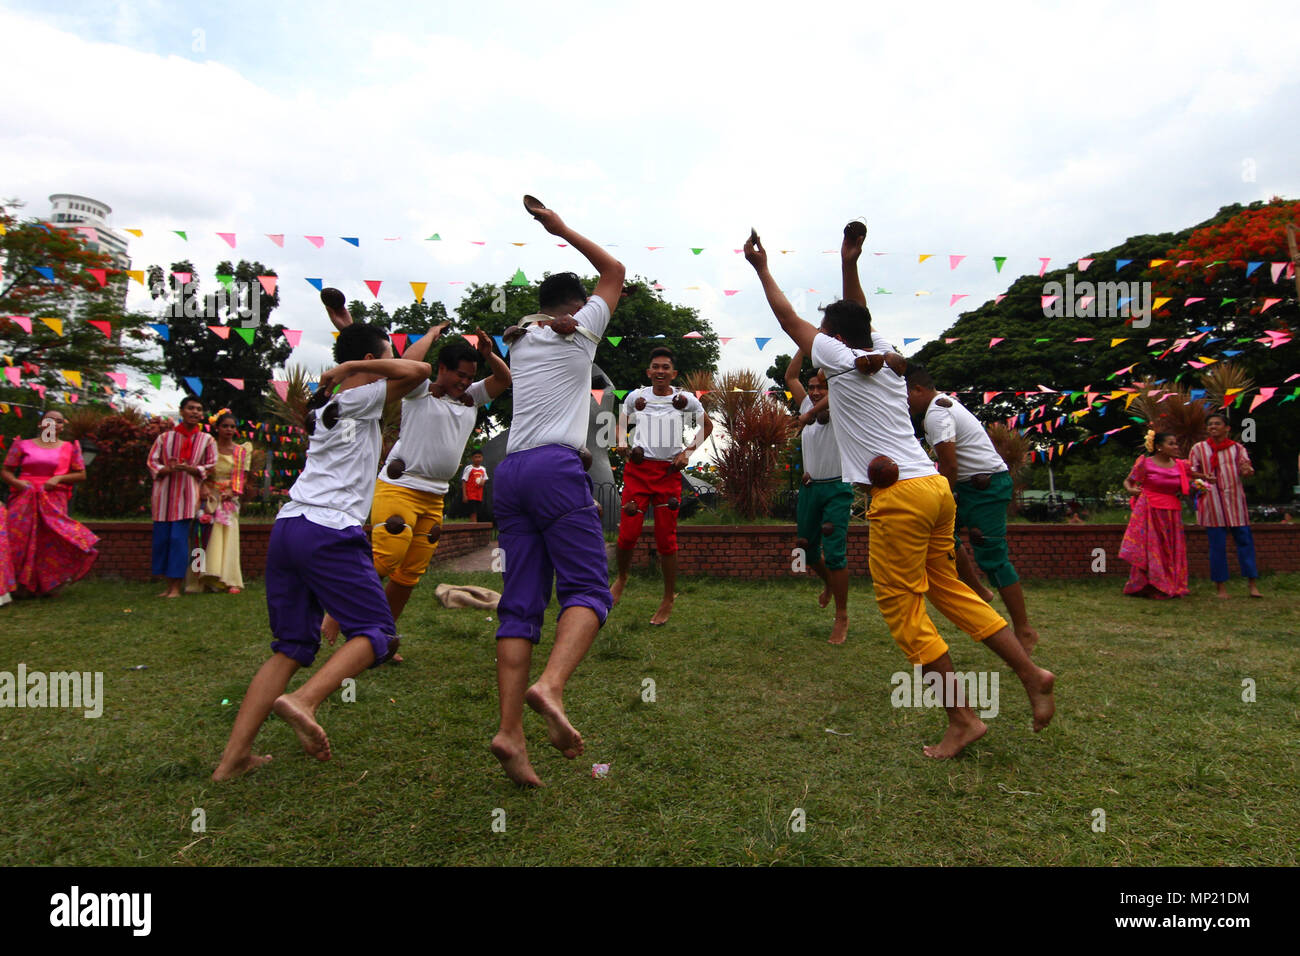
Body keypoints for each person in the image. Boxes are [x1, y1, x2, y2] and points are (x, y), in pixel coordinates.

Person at [742, 224, 1055, 759]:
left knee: (903, 609)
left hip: (901, 500)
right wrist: (849, 262)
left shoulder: (842, 358)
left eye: (824, 330)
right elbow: (858, 313)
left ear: (835, 339)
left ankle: (961, 720)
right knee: (951, 591)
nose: (815, 336)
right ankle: (1031, 673)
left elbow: (787, 319)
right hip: (934, 489)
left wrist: (761, 268)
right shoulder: (881, 353)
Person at [212, 321, 429, 781]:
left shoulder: (328, 404)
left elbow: (407, 363)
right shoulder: (359, 397)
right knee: (377, 634)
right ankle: (304, 700)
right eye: (383, 356)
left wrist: (371, 345)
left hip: (290, 526)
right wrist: (354, 362)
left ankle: (233, 759)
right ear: (369, 363)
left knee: (289, 647)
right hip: (329, 530)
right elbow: (420, 367)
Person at [490, 198, 624, 786]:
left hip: (511, 474)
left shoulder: (522, 339)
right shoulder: (582, 328)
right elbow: (616, 271)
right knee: (590, 589)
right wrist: (560, 227)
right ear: (577, 305)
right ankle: (552, 685)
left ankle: (510, 734)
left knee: (521, 605)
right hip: (551, 470)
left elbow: (525, 330)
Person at [317, 318, 512, 654]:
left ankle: (382, 638)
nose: (464, 382)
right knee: (387, 556)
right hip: (401, 487)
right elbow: (410, 365)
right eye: (458, 375)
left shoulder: (471, 398)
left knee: (409, 574)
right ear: (441, 369)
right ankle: (334, 612)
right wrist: (433, 333)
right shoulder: (420, 390)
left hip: (434, 496)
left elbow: (505, 379)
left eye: (469, 376)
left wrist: (490, 354)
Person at [905, 363, 1039, 654]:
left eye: (906, 395)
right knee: (942, 536)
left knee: (993, 558)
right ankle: (977, 589)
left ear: (917, 389)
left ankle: (1025, 629)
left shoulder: (938, 413)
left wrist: (941, 498)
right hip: (970, 487)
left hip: (985, 488)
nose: (904, 402)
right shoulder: (944, 405)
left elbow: (949, 464)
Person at [610, 346, 712, 626]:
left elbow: (707, 426)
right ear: (648, 372)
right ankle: (621, 578)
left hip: (668, 473)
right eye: (655, 367)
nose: (660, 371)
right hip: (638, 471)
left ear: (674, 373)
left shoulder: (685, 399)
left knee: (666, 540)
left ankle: (668, 597)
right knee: (627, 534)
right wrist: (621, 441)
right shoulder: (636, 396)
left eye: (665, 367)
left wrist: (687, 453)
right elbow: (621, 421)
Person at [784, 350, 851, 644]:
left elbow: (840, 393)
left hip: (837, 488)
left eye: (819, 388)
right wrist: (804, 347)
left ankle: (842, 615)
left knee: (835, 553)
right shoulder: (804, 406)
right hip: (811, 489)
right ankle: (830, 585)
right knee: (807, 552)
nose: (813, 392)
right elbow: (789, 377)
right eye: (810, 387)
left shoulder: (842, 408)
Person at [1, 409, 98, 595]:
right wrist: (16, 482)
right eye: (49, 419)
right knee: (19, 539)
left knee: (51, 540)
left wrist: (58, 479)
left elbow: (81, 474)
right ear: (41, 424)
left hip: (52, 500)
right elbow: (6, 470)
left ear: (62, 427)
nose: (54, 423)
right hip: (24, 498)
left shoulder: (69, 448)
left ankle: (48, 585)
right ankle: (18, 586)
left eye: (58, 421)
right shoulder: (22, 445)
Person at [1118, 430, 1204, 598]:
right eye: (1170, 443)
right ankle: (1149, 584)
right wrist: (1131, 490)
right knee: (1152, 548)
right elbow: (1129, 481)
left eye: (1175, 443)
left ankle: (1170, 583)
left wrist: (1202, 483)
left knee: (1169, 549)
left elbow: (1191, 480)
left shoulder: (1181, 465)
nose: (1175, 446)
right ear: (1158, 447)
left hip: (1172, 512)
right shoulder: (1145, 463)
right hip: (1150, 510)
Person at [147, 395, 217, 598]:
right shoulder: (164, 438)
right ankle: (167, 585)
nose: (195, 412)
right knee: (162, 541)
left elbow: (211, 465)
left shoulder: (206, 440)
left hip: (187, 498)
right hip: (163, 498)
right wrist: (166, 469)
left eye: (198, 409)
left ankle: (176, 587)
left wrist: (193, 469)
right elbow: (152, 461)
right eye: (191, 408)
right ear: (181, 411)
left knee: (178, 541)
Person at [1188, 413, 1263, 598]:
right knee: (1217, 547)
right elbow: (1190, 473)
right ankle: (1221, 588)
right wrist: (1202, 481)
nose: (1213, 427)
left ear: (1227, 428)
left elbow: (1246, 467)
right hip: (1212, 505)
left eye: (1217, 424)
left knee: (1245, 543)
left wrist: (1247, 470)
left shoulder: (1237, 448)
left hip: (1235, 504)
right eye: (1210, 424)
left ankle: (1252, 585)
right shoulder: (1198, 449)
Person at [186, 411, 252, 594]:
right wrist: (202, 487)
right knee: (203, 535)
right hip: (209, 497)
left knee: (228, 536)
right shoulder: (208, 447)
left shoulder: (241, 451)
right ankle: (199, 578)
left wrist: (232, 491)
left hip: (229, 498)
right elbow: (198, 471)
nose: (229, 430)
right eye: (225, 426)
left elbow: (242, 477)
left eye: (232, 426)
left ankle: (229, 579)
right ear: (217, 428)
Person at [461, 450, 489, 522]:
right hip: (470, 494)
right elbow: (464, 481)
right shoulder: (469, 468)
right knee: (472, 511)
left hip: (479, 494)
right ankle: (474, 526)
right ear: (472, 458)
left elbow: (485, 478)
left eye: (479, 457)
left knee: (477, 511)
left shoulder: (483, 469)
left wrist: (483, 481)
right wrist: (464, 495)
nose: (478, 459)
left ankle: (474, 526)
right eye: (475, 457)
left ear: (482, 458)